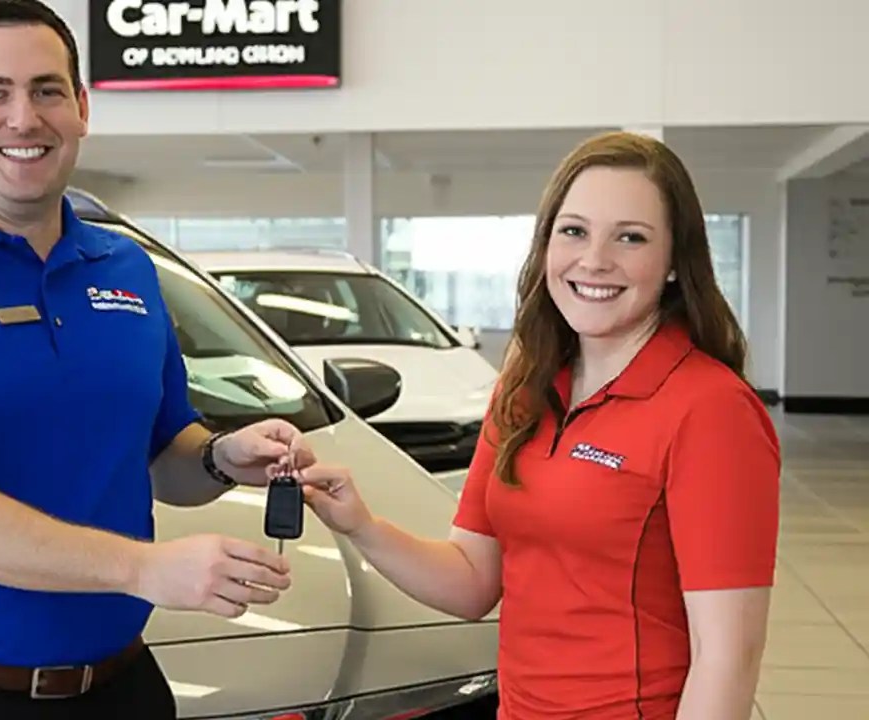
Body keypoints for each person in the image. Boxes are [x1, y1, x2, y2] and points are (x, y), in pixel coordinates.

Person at [0, 1, 313, 718]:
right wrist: (146, 568)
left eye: (47, 90)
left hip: (118, 689)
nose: (24, 118)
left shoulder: (126, 266)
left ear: (81, 108)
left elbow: (165, 453)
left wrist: (223, 457)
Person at [295, 131, 780, 720]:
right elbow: (472, 581)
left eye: (630, 237)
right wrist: (363, 525)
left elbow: (728, 654)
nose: (594, 260)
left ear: (677, 262)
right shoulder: (525, 386)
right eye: (573, 231)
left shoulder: (710, 409)